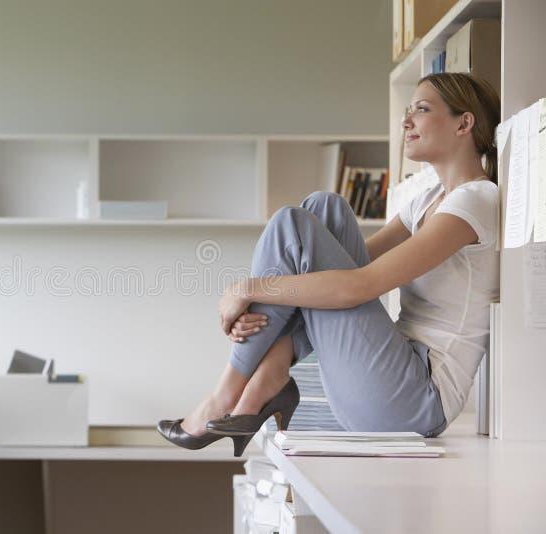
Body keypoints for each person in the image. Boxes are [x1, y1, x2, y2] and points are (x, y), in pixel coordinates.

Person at [158, 72, 501, 457]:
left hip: (413, 402)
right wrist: (264, 294)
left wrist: (247, 289)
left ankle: (229, 391)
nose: (406, 122)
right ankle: (268, 378)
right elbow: (333, 269)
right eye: (408, 111)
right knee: (325, 207)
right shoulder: (428, 199)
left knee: (293, 224)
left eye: (421, 110)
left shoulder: (475, 201)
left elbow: (358, 285)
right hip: (385, 375)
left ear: (464, 123)